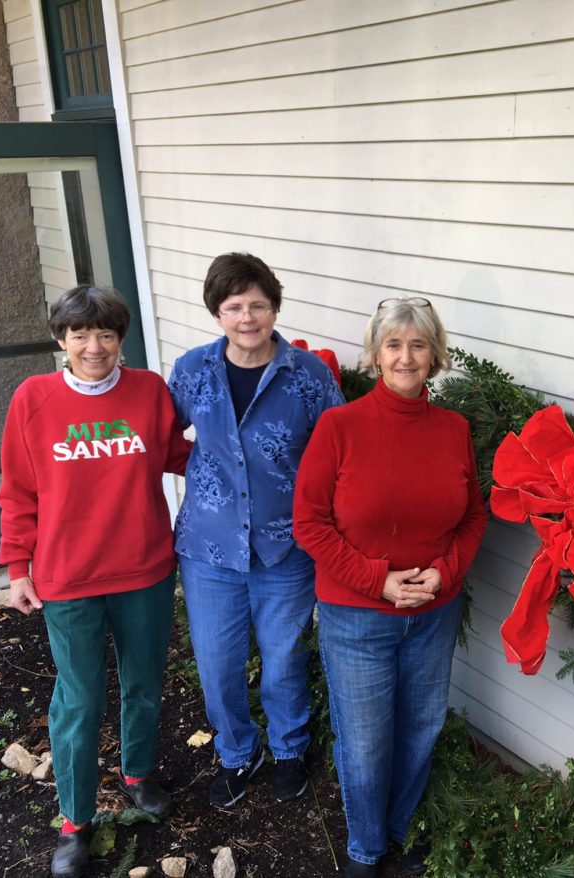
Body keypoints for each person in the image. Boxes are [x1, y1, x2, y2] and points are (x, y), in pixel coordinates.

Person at [0, 285, 191, 878]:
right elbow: (17, 491)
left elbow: (181, 455)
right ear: (62, 339)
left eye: (105, 334)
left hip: (143, 566)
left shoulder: (149, 391)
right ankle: (75, 820)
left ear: (120, 338)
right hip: (68, 576)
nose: (93, 347)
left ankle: (137, 773)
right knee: (79, 700)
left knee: (143, 683)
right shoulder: (33, 399)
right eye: (79, 334)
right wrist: (17, 568)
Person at [292, 296, 487, 878]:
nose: (406, 357)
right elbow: (308, 523)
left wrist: (446, 572)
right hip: (357, 617)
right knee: (365, 742)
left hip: (434, 613)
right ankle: (365, 850)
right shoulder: (340, 427)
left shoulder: (453, 429)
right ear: (376, 354)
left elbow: (473, 516)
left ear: (435, 355)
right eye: (394, 345)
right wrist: (377, 580)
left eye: (418, 345)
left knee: (421, 728)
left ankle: (397, 831)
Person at [168, 253, 344, 809]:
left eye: (258, 305)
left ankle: (289, 749)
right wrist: (203, 473)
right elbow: (161, 434)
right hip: (209, 548)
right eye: (234, 307)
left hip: (284, 547)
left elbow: (339, 453)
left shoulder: (308, 376)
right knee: (218, 664)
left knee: (284, 658)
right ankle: (238, 752)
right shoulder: (192, 370)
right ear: (217, 313)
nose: (247, 317)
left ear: (275, 308)